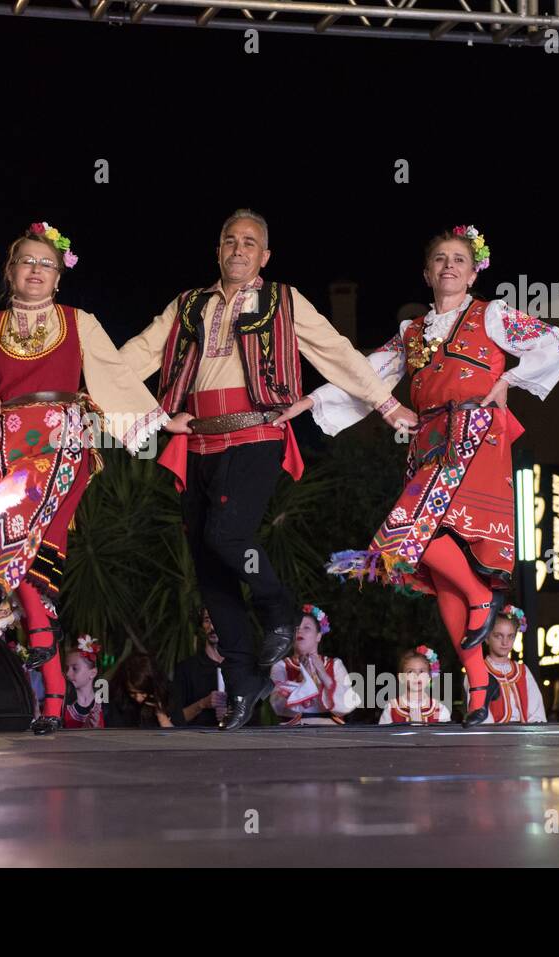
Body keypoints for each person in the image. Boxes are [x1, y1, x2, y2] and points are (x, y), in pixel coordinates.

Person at [120, 209, 404, 731]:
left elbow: (337, 353)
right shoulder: (188, 305)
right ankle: (245, 674)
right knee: (208, 566)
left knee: (228, 535)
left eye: (249, 242)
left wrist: (387, 406)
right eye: (229, 240)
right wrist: (95, 400)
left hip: (256, 434)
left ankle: (278, 609)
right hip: (199, 439)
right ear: (218, 249)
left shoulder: (284, 301)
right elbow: (139, 353)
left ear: (264, 256)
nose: (237, 248)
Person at [282, 225, 559, 728]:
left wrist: (507, 380)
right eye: (439, 259)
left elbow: (555, 344)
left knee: (405, 540)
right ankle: (479, 688)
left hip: (475, 433)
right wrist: (311, 400)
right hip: (426, 441)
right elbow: (366, 374)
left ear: (474, 268)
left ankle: (483, 598)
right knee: (440, 576)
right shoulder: (412, 332)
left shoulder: (493, 315)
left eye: (458, 258)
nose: (448, 266)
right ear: (426, 272)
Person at [0, 222, 168, 734]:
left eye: (45, 263)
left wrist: (162, 423)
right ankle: (52, 693)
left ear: (58, 276)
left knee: (8, 544)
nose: (35, 269)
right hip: (9, 445)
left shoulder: (79, 323)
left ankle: (47, 666)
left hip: (62, 441)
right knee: (19, 559)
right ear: (10, 272)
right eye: (26, 261)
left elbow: (114, 375)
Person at [268, 604, 357, 725]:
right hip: (293, 730)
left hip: (331, 729)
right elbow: (277, 706)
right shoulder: (281, 666)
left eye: (307, 628)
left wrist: (323, 674)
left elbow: (347, 704)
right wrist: (303, 678)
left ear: (318, 636)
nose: (300, 630)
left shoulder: (335, 664)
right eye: (296, 628)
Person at [477, 606, 546, 724]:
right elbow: (479, 714)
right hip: (493, 736)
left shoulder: (522, 671)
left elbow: (536, 712)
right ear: (487, 638)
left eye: (510, 636)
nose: (505, 642)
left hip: (522, 735)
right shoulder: (478, 671)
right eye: (498, 636)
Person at [173, 608, 229, 727]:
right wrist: (202, 704)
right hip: (198, 742)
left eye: (218, 620)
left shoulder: (239, 668)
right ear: (201, 626)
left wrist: (231, 713)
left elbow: (255, 716)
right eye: (207, 620)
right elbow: (176, 719)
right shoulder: (186, 669)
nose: (213, 627)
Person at [105, 653, 180, 728]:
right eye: (132, 693)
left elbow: (179, 737)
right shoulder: (116, 698)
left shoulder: (167, 693)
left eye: (143, 692)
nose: (138, 698)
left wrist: (161, 716)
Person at [379, 646, 452, 724]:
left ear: (429, 677)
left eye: (422, 671)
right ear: (401, 678)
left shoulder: (439, 709)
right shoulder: (391, 708)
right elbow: (383, 735)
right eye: (410, 671)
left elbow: (443, 734)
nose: (417, 676)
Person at [62, 635, 105, 729]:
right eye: (66, 668)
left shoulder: (106, 707)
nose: (68, 674)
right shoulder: (62, 706)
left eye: (75, 668)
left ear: (93, 673)